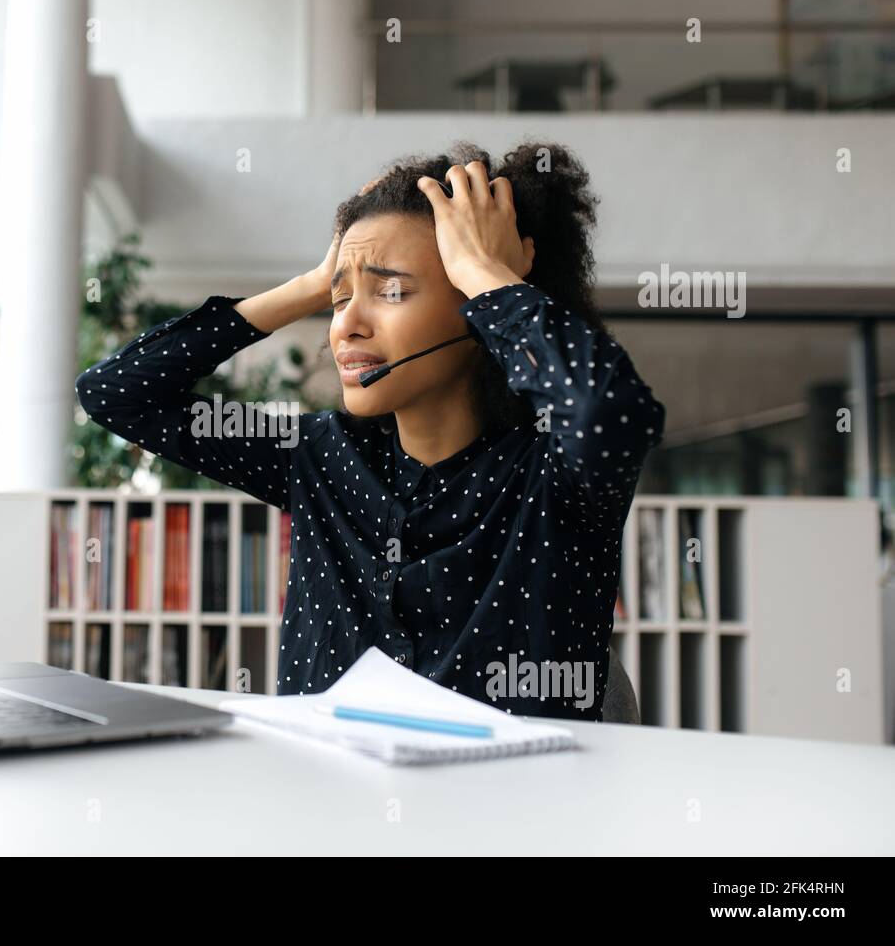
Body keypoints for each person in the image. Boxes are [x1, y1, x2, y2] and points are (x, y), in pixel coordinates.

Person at [76, 141, 665, 721]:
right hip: (325, 808)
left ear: (480, 308)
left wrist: (488, 274)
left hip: (509, 810)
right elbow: (116, 394)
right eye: (338, 301)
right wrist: (312, 282)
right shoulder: (319, 454)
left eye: (391, 291)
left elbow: (607, 413)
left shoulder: (557, 472)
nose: (345, 327)